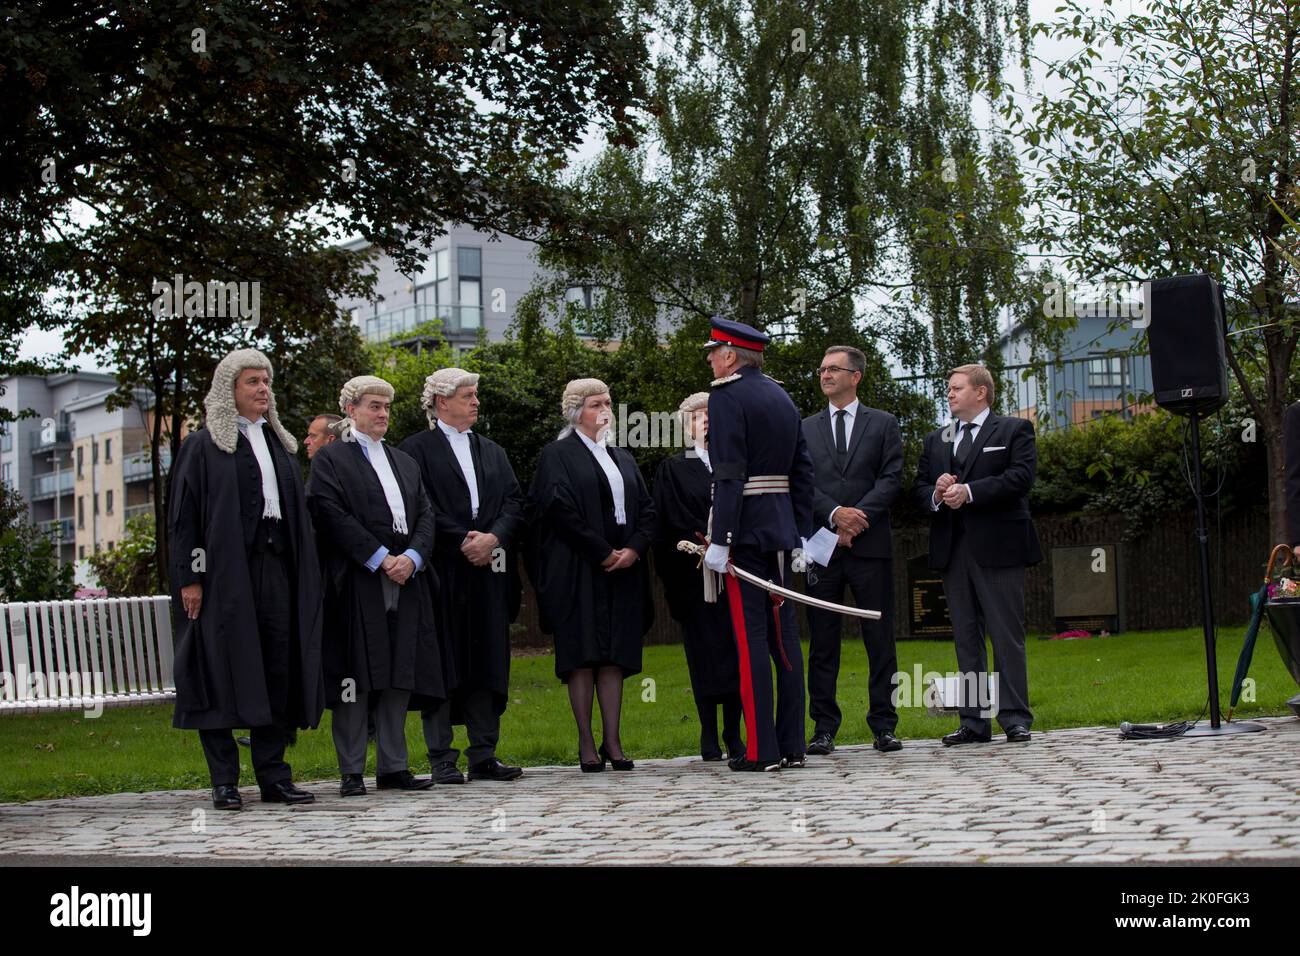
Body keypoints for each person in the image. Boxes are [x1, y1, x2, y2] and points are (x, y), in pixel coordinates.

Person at [169, 348, 324, 810]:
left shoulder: (280, 445)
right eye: (252, 382)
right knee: (219, 670)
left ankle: (274, 776)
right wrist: (190, 578)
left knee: (278, 665)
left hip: (277, 569)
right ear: (229, 390)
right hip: (223, 576)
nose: (262, 389)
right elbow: (184, 518)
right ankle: (224, 781)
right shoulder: (204, 445)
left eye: (265, 382)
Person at [307, 375, 444, 794]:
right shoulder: (331, 461)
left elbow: (425, 514)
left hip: (406, 577)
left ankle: (393, 766)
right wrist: (379, 557)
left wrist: (413, 558)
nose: (382, 414)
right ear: (350, 410)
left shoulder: (404, 461)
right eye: (373, 406)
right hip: (357, 582)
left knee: (398, 672)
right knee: (356, 675)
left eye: (386, 407)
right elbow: (329, 513)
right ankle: (351, 770)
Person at [400, 368, 525, 784]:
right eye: (467, 395)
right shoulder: (414, 451)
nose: (475, 402)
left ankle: (484, 754)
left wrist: (493, 538)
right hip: (442, 573)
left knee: (488, 659)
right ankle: (442, 758)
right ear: (441, 402)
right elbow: (421, 507)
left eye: (475, 394)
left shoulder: (492, 450)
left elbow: (512, 501)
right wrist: (464, 541)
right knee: (442, 661)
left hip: (489, 572)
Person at [701, 317, 815, 771]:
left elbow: (729, 474)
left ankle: (760, 750)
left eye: (713, 351)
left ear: (730, 355)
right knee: (784, 643)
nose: (710, 359)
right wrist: (799, 531)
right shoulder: (780, 395)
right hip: (780, 534)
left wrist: (721, 540)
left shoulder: (726, 395)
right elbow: (803, 470)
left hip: (744, 533)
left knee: (751, 644)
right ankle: (792, 745)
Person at [526, 378, 655, 772]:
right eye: (596, 403)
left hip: (622, 571)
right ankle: (585, 742)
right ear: (575, 411)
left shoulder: (623, 457)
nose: (605, 410)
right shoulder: (557, 455)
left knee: (613, 656)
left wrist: (633, 548)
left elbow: (647, 509)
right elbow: (558, 509)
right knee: (583, 654)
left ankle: (613, 741)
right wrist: (601, 551)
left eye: (608, 403)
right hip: (578, 569)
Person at [911, 364, 1041, 746]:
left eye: (956, 388)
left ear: (981, 392)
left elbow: (1020, 478)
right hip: (953, 549)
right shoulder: (938, 439)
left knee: (1005, 636)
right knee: (966, 638)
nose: (949, 394)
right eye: (948, 389)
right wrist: (937, 492)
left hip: (999, 547)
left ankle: (1015, 718)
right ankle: (974, 722)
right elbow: (918, 489)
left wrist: (970, 491)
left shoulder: (1013, 430)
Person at [801, 345, 903, 756]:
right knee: (822, 641)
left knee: (880, 639)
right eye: (822, 369)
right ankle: (823, 726)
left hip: (870, 545)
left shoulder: (883, 423)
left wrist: (859, 517)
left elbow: (892, 476)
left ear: (855, 376)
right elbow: (800, 480)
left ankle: (884, 725)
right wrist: (834, 514)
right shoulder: (804, 427)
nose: (825, 375)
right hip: (823, 548)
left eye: (833, 369)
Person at [652, 391, 745, 762]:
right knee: (705, 654)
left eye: (712, 413)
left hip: (737, 574)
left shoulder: (737, 462)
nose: (706, 419)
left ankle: (734, 732)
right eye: (697, 415)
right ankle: (708, 730)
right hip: (695, 578)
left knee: (737, 650)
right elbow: (666, 521)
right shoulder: (673, 468)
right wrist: (702, 548)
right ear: (684, 425)